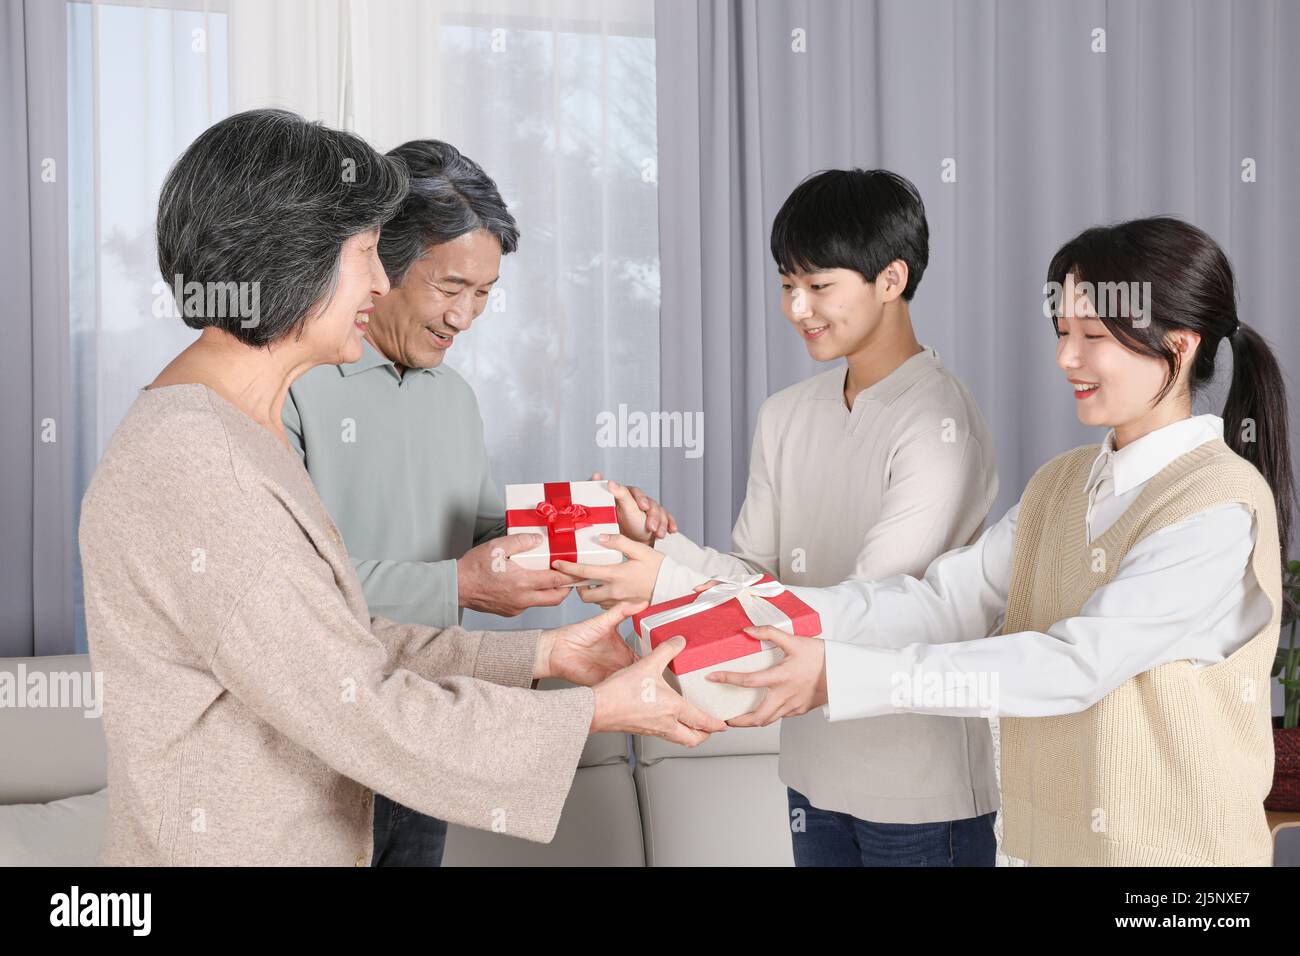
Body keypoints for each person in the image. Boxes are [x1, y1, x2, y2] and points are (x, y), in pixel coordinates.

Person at [78, 108, 724, 866]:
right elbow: (362, 707)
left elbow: (338, 633)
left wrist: (546, 654)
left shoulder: (230, 436)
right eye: (363, 255)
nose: (379, 282)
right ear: (297, 260)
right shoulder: (201, 464)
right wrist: (592, 712)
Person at [705, 216, 1289, 866]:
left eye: (1093, 335)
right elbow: (941, 601)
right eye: (1063, 331)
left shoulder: (1218, 508)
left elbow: (1075, 664)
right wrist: (749, 609)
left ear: (1178, 345)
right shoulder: (1060, 486)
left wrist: (842, 675)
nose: (1067, 357)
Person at [559, 169, 1003, 866]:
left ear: (891, 279)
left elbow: (871, 610)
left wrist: (666, 580)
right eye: (786, 283)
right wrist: (660, 545)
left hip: (920, 787)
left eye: (819, 286)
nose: (797, 307)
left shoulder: (940, 424)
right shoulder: (786, 414)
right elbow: (756, 576)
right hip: (811, 772)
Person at [282, 139, 658, 866]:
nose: (466, 316)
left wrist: (596, 522)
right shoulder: (294, 385)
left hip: (431, 724)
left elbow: (481, 531)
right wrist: (457, 584)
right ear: (377, 263)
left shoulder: (454, 397)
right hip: (317, 739)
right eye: (451, 286)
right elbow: (292, 589)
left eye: (484, 294)